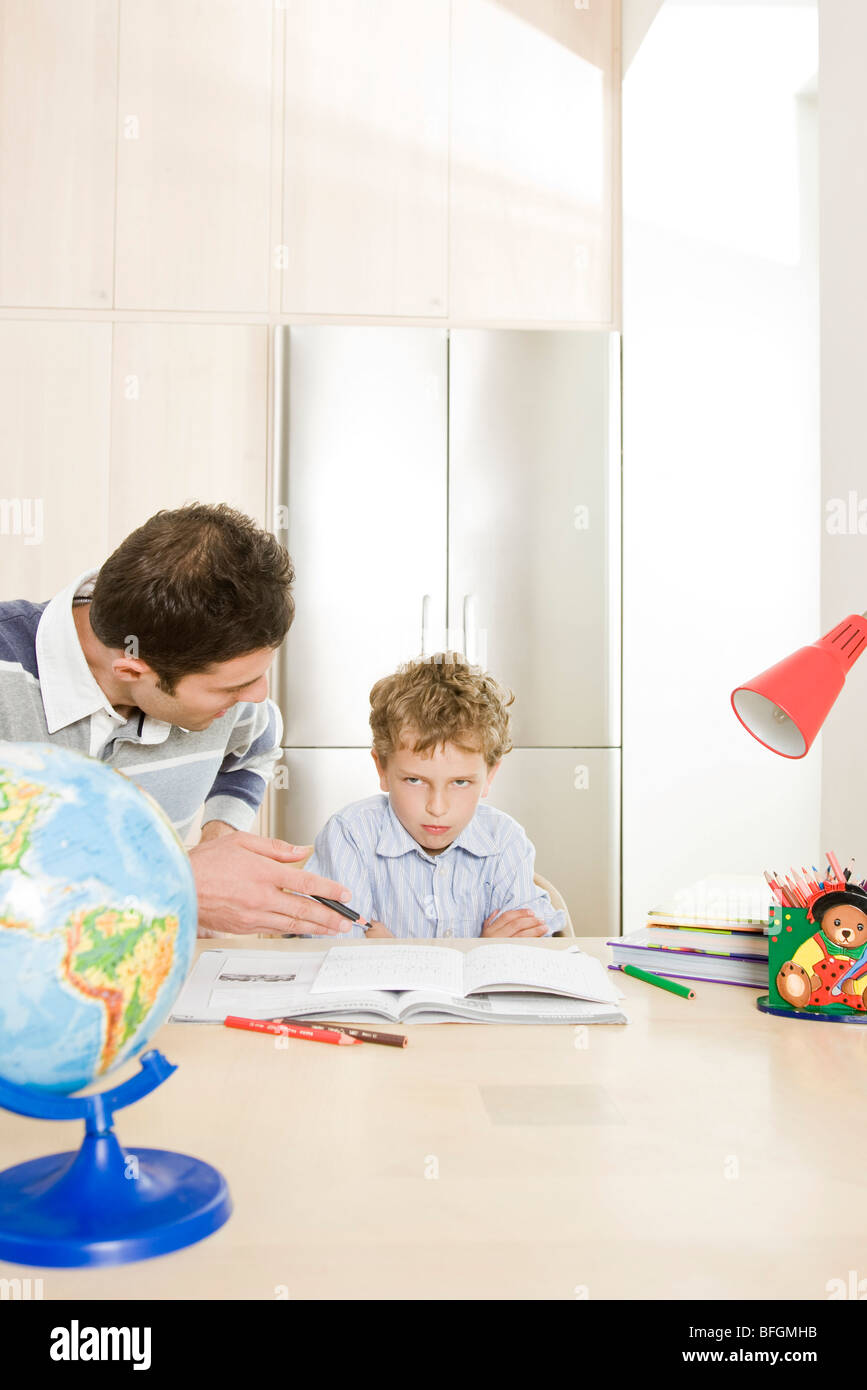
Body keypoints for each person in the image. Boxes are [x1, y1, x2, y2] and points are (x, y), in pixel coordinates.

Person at [0, 503, 354, 938]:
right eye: (231, 687)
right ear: (133, 671)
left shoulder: (223, 680)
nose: (257, 695)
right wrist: (176, 879)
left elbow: (257, 746)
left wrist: (218, 839)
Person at [303, 652, 566, 938]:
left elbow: (530, 939)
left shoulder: (504, 840)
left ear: (490, 775)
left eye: (461, 782)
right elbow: (332, 948)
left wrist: (490, 950)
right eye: (415, 780)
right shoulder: (351, 834)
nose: (437, 808)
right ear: (382, 768)